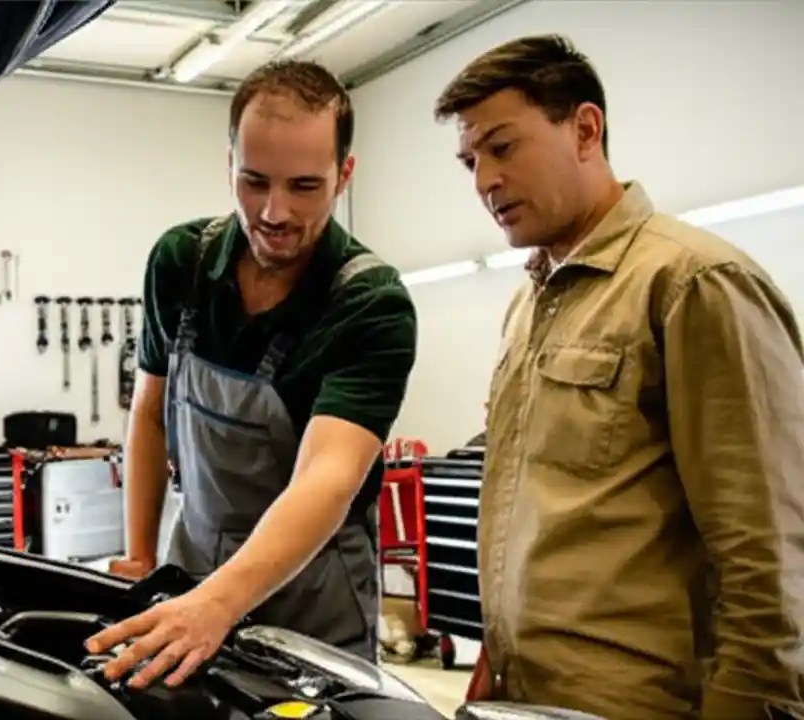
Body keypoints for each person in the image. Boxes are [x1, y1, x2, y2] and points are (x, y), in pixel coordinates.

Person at [435, 34, 804, 719]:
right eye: (470, 160)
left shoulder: (693, 283)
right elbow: (535, 508)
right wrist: (495, 654)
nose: (484, 180)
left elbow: (772, 559)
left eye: (503, 147)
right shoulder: (530, 304)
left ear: (585, 128)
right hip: (526, 696)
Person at [83, 60, 417, 690]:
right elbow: (150, 414)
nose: (274, 212)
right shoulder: (179, 262)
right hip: (193, 565)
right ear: (229, 162)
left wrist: (219, 602)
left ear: (345, 174)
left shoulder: (370, 304)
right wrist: (141, 555)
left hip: (312, 597)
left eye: (304, 186)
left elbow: (329, 477)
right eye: (254, 181)